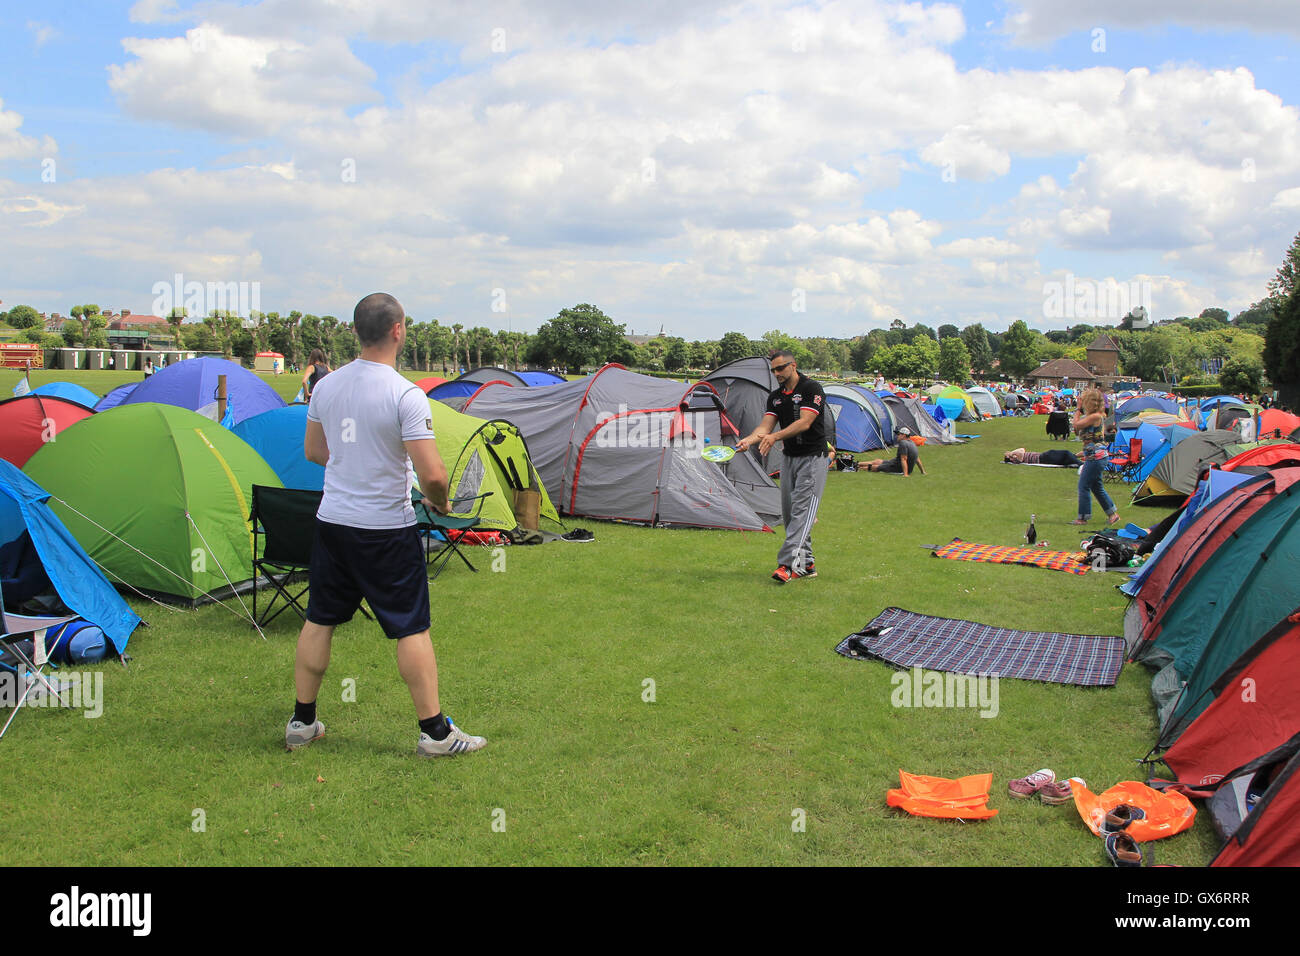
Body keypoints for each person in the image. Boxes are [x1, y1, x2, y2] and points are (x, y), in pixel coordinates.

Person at [285, 292, 486, 758]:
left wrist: (354, 465)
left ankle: (302, 721)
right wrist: (440, 503)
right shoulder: (404, 394)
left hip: (333, 523)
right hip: (385, 530)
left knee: (319, 619)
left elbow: (314, 451)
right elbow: (433, 473)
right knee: (410, 628)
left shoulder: (327, 386)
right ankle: (436, 733)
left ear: (356, 331)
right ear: (398, 330)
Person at [737, 350, 828, 583]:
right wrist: (749, 440)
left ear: (793, 366)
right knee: (790, 516)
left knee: (801, 514)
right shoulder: (775, 397)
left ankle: (787, 565)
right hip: (790, 459)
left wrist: (775, 438)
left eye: (780, 368)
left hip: (813, 459)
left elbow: (805, 422)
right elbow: (764, 428)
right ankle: (806, 564)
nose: (776, 373)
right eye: (773, 370)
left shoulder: (811, 389)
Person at [1071, 387, 1119, 527]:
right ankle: (1112, 514)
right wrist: (1079, 412)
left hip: (1096, 457)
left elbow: (1076, 424)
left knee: (1083, 485)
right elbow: (1076, 429)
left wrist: (1078, 409)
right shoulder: (1092, 417)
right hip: (1094, 456)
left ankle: (1083, 517)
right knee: (1096, 487)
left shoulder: (1095, 417)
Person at [1004, 447, 1081, 467]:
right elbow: (1021, 450)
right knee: (1066, 453)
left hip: (1044, 457)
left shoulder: (1017, 459)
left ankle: (1081, 461)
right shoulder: (1018, 460)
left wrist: (1011, 455)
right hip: (1043, 458)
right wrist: (1011, 453)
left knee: (1066, 457)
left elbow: (1022, 450)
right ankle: (1082, 464)